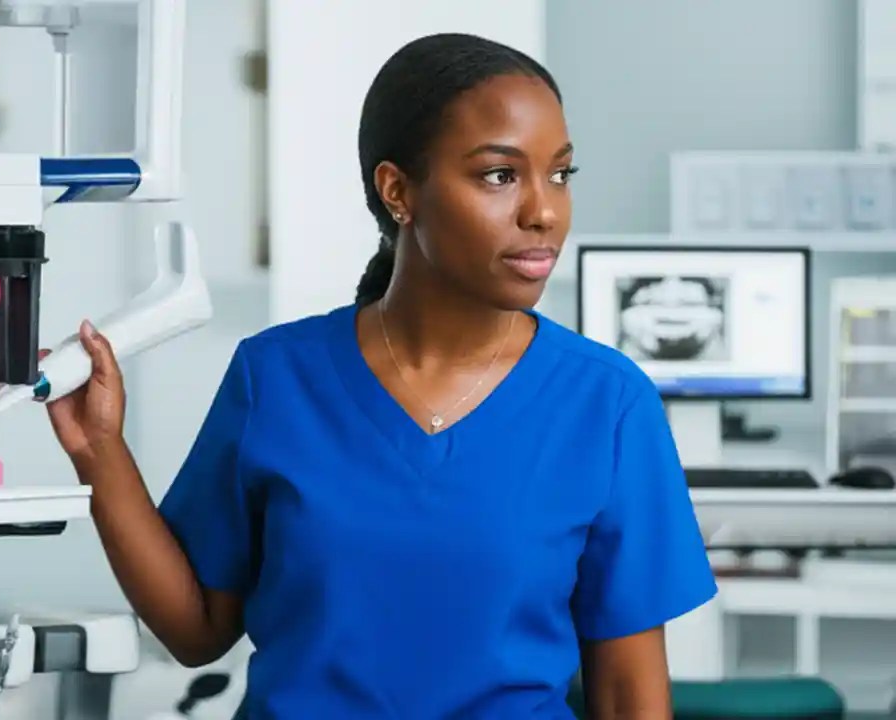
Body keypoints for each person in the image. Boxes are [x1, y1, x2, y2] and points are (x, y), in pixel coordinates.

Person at [44, 32, 717, 719]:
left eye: (561, 174)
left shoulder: (606, 403)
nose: (544, 210)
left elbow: (629, 691)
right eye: (500, 175)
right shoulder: (276, 377)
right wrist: (101, 453)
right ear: (398, 190)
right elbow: (196, 632)